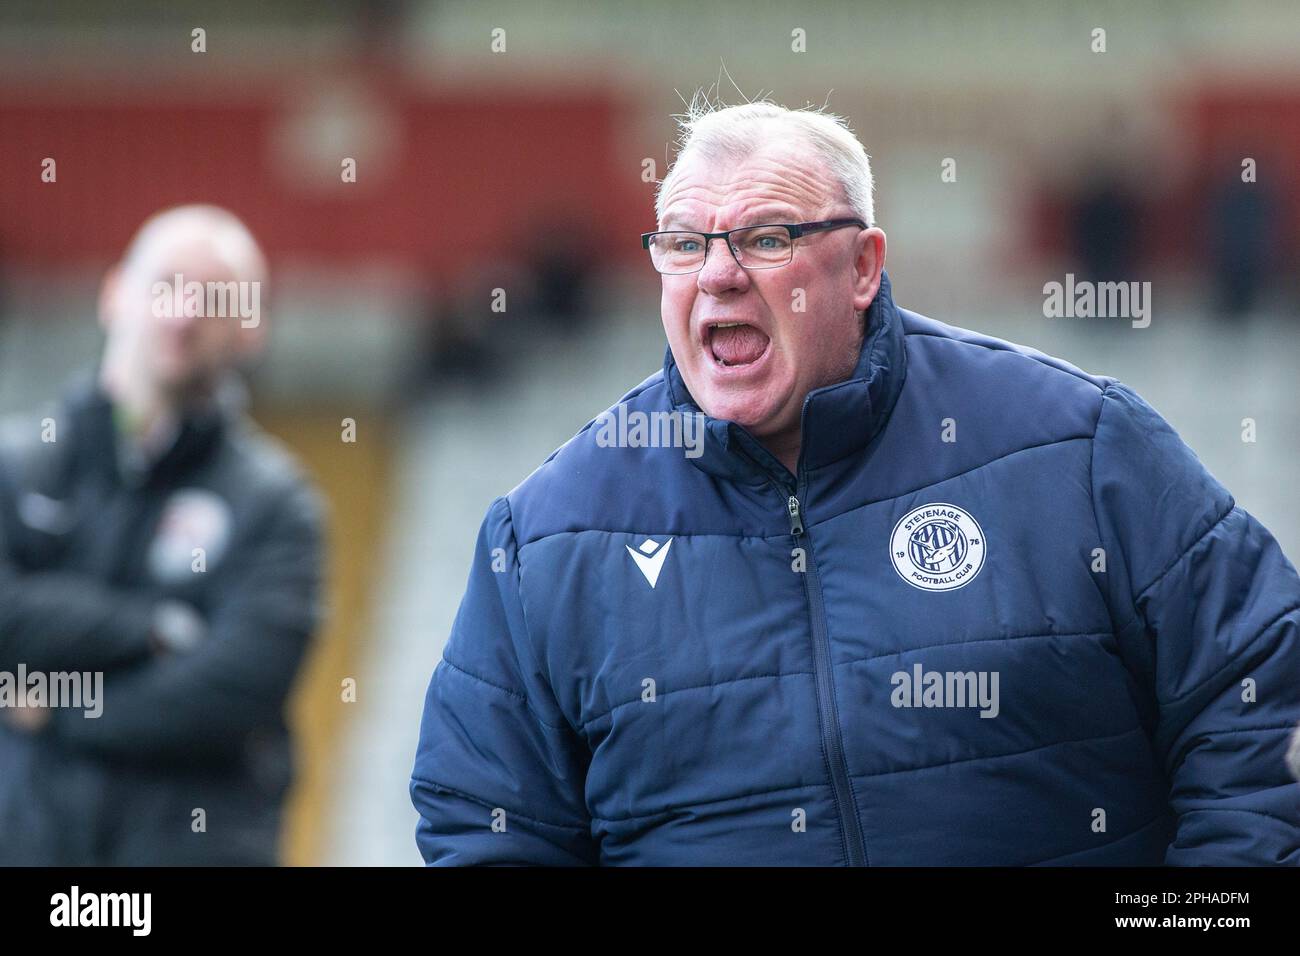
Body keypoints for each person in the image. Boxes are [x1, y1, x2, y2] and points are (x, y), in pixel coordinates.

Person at [410, 98, 1300, 865]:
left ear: (865, 267)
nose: (717, 275)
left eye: (766, 238)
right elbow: (489, 825)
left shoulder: (1084, 448)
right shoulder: (548, 536)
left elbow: (1258, 704)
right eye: (684, 244)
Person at [0, 205, 326, 865]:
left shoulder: (278, 506)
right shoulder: (14, 466)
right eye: (167, 284)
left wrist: (61, 710)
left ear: (251, 328)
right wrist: (158, 629)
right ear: (114, 293)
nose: (184, 314)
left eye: (213, 298)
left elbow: (231, 691)